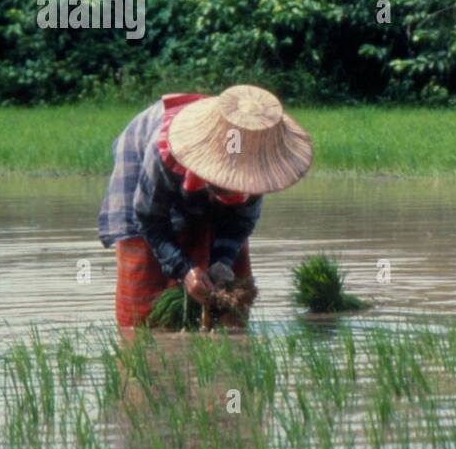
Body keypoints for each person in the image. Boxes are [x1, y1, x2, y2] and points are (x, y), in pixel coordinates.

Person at [98, 84, 313, 327]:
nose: (237, 193)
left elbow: (240, 222)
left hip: (203, 177)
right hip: (146, 174)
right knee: (145, 291)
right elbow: (149, 219)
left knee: (233, 291)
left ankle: (226, 342)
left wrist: (222, 262)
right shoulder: (165, 153)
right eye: (223, 187)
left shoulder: (255, 159)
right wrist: (184, 271)